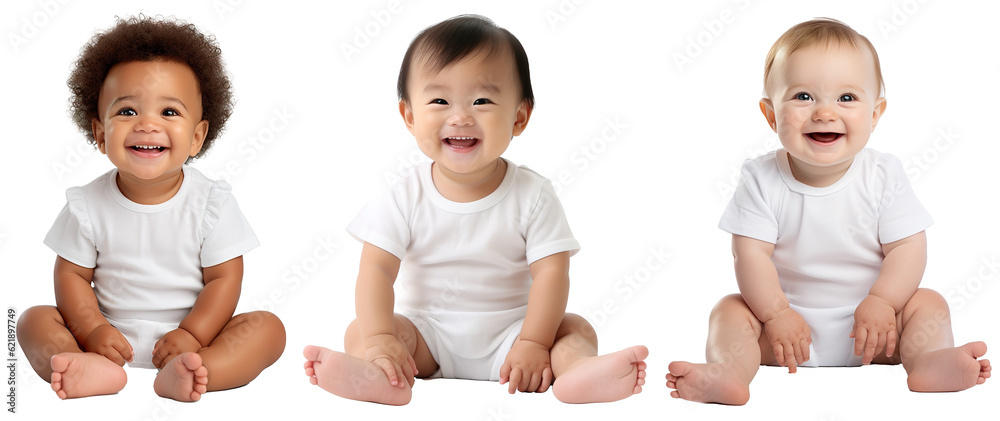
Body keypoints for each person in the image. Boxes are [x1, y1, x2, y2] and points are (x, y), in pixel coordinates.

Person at [303, 14, 647, 405]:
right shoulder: (402, 195)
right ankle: (380, 372)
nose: (460, 116)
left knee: (576, 330)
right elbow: (376, 271)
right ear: (410, 117)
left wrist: (534, 342)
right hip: (425, 338)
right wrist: (383, 340)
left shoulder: (533, 194)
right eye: (439, 100)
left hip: (516, 338)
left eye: (482, 100)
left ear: (519, 117)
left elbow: (552, 273)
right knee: (362, 331)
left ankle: (578, 374)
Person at [666, 18, 990, 405]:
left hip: (876, 331)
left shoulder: (883, 174)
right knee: (730, 310)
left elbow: (908, 248)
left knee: (929, 303)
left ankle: (927, 362)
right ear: (770, 115)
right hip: (785, 334)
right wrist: (775, 314)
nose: (823, 113)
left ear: (875, 113)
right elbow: (749, 254)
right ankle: (731, 373)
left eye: (847, 98)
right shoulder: (760, 177)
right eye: (802, 97)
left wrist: (884, 302)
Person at [17, 16, 285, 402]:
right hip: (104, 335)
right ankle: (87, 366)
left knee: (268, 329)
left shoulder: (211, 202)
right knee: (33, 320)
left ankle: (197, 372)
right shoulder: (86, 204)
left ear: (196, 137)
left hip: (196, 337)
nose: (146, 124)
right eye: (126, 111)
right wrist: (92, 330)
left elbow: (224, 279)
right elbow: (72, 276)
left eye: (169, 112)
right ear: (99, 133)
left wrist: (193, 334)